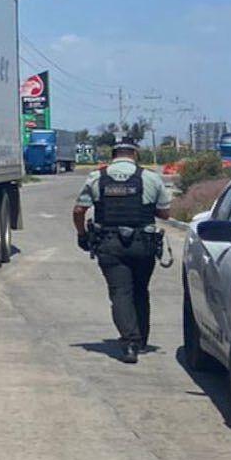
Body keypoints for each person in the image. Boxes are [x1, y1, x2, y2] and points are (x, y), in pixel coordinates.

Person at [72, 141, 173, 363]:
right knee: (140, 290)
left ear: (113, 155)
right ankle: (142, 339)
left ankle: (129, 343)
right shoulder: (151, 177)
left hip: (109, 244)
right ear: (135, 154)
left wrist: (82, 235)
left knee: (120, 293)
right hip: (143, 245)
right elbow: (165, 214)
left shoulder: (97, 177)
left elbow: (79, 210)